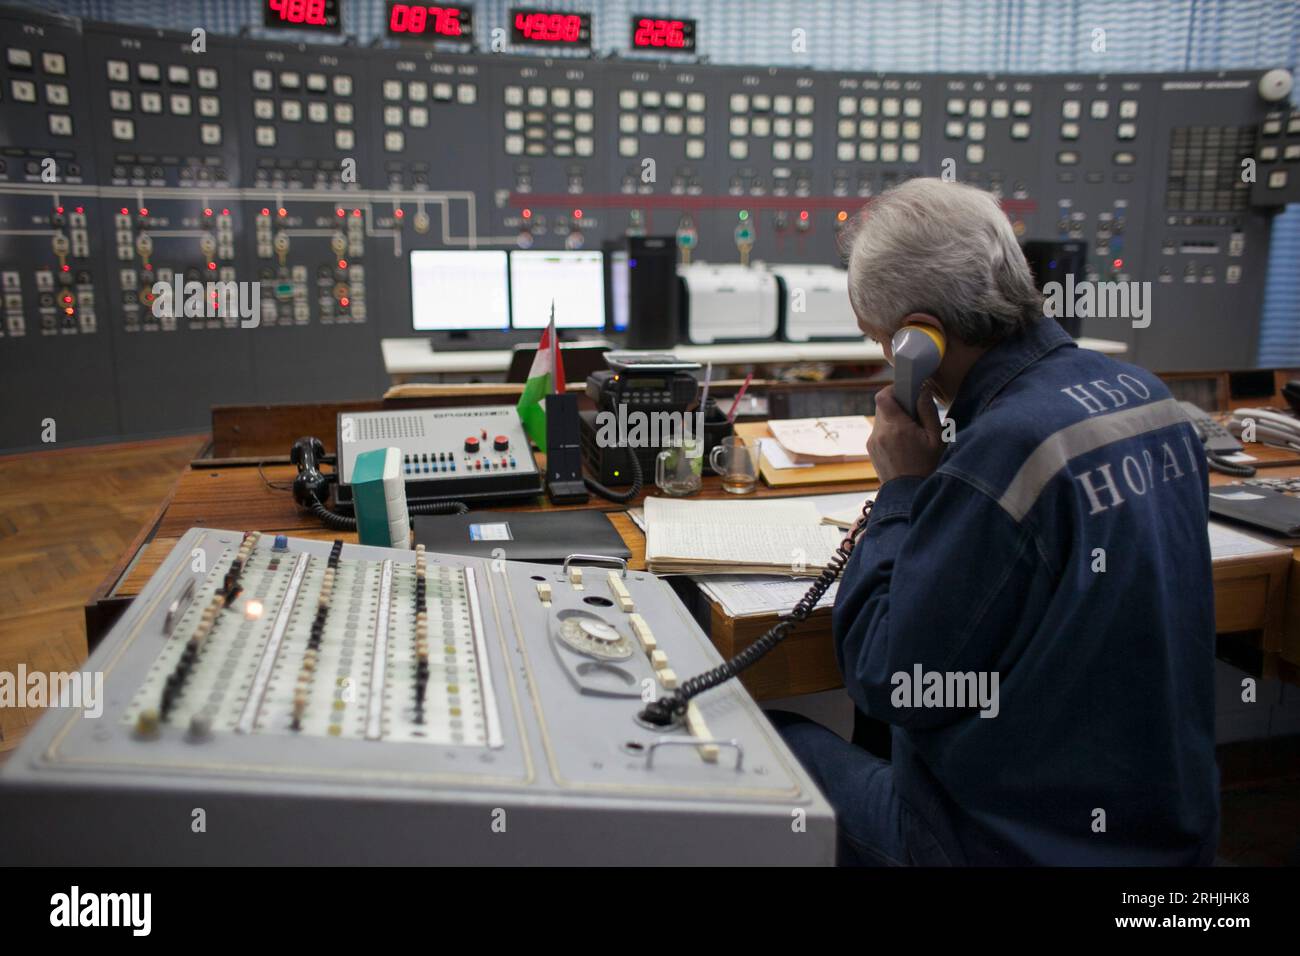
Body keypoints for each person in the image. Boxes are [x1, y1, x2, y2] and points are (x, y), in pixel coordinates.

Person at [772, 178, 1219, 865]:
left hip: (1005, 848)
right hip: (1165, 839)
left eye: (882, 342)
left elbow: (890, 678)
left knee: (765, 739)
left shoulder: (1003, 453)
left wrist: (901, 491)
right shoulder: (1151, 398)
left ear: (919, 340)